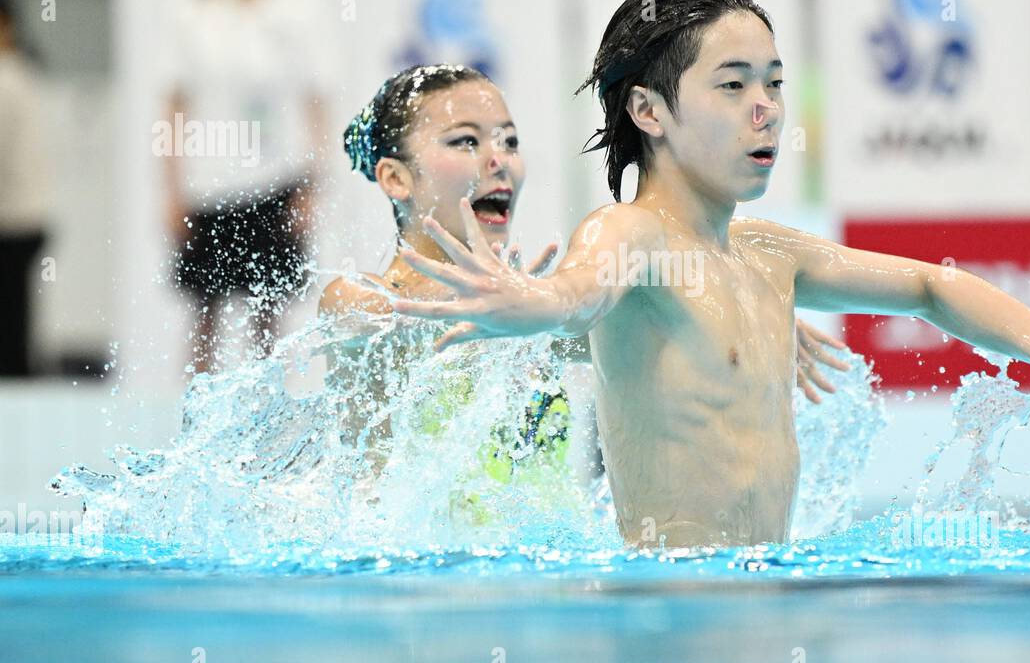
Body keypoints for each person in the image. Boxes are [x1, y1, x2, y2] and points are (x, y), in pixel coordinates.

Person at [388, 0, 1030, 550]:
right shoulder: (634, 234)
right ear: (648, 112)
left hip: (764, 591)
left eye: (771, 82)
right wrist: (527, 303)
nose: (766, 107)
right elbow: (581, 293)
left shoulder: (766, 256)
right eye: (732, 86)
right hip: (675, 615)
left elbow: (933, 289)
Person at [318, 63, 852, 525]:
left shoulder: (538, 314)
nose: (498, 159)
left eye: (509, 141)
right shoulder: (357, 303)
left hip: (533, 593)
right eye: (466, 141)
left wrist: (732, 305)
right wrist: (531, 305)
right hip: (409, 597)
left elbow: (630, 319)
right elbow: (419, 323)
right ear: (394, 178)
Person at [158, 0, 334, 375]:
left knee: (269, 313)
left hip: (276, 178)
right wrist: (170, 189)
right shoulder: (192, 9)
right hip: (208, 182)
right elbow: (174, 103)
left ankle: (263, 423)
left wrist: (313, 186)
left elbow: (315, 101)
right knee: (205, 312)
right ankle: (196, 421)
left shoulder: (296, 9)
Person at [0, 0, 51, 377]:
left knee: (12, 331)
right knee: (17, 323)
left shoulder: (8, 78)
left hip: (12, 221)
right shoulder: (24, 72)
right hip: (27, 217)